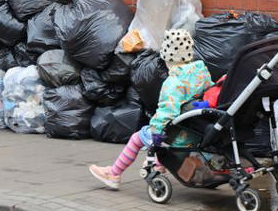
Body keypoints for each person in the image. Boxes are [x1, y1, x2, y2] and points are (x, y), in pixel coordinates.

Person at [89, 29, 212, 189]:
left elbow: (167, 113)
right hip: (197, 131)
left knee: (137, 138)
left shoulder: (173, 83)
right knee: (167, 130)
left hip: (179, 136)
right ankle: (158, 165)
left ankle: (114, 173)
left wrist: (156, 131)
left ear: (167, 58)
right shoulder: (202, 73)